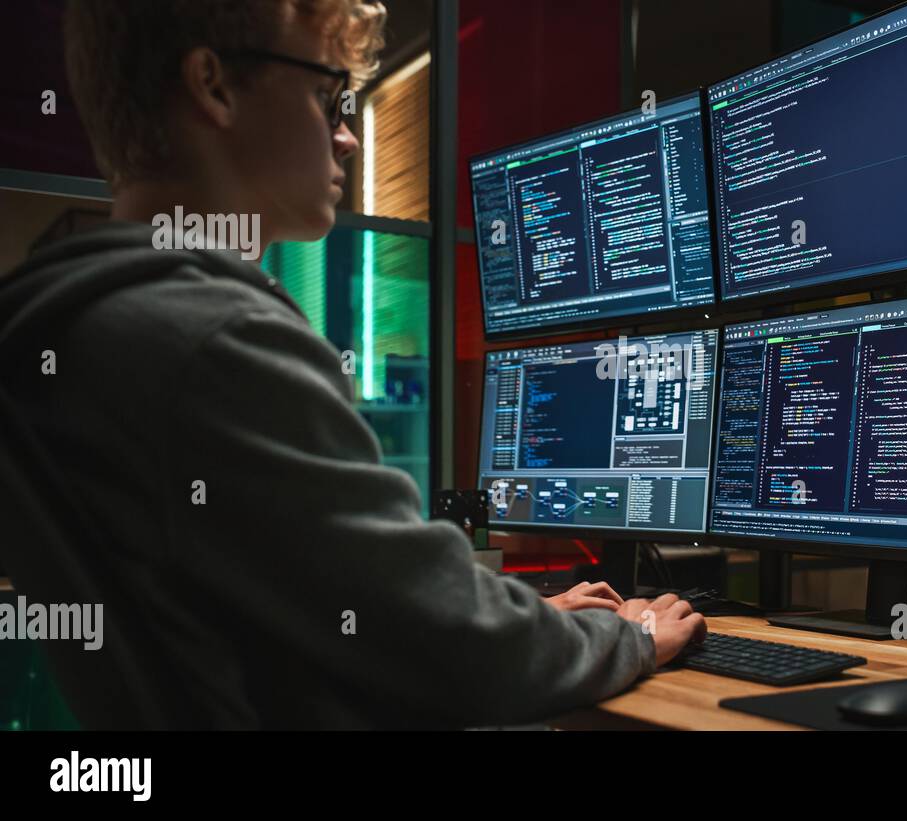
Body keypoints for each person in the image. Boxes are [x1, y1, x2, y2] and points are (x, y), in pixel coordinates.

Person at [0, 0, 705, 729]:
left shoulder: (82, 321)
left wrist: (515, 617)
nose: (348, 137)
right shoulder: (212, 342)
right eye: (326, 96)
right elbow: (450, 651)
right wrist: (633, 637)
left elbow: (332, 614)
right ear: (213, 86)